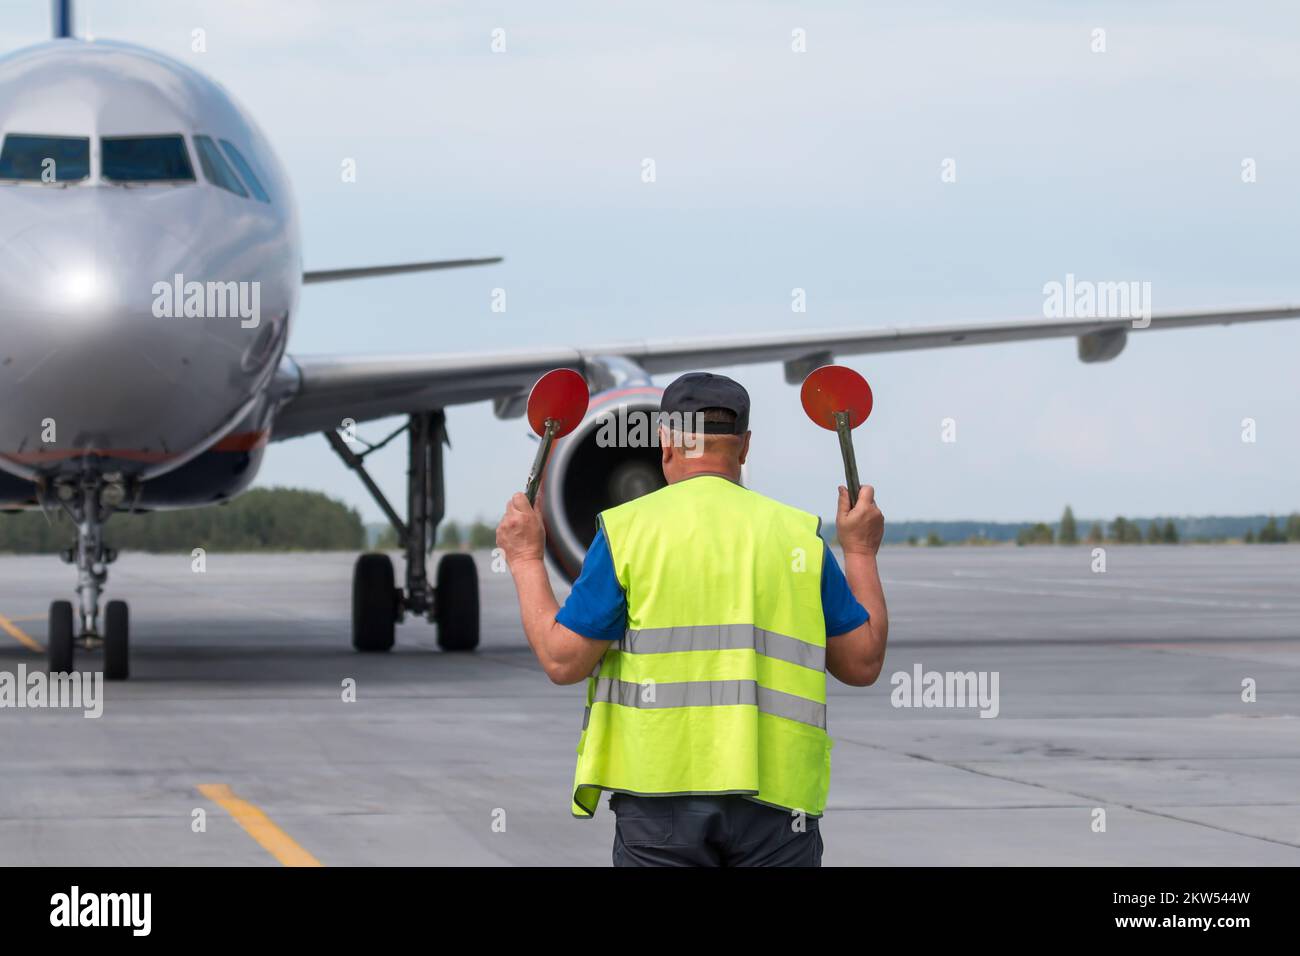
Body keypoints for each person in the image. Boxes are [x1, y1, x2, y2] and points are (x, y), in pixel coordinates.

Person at [495, 371, 888, 866]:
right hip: (779, 804)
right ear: (744, 447)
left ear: (666, 443)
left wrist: (526, 559)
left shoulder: (628, 532)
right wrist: (860, 552)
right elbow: (862, 662)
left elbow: (562, 659)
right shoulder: (797, 537)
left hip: (660, 798)